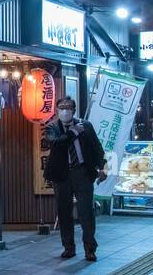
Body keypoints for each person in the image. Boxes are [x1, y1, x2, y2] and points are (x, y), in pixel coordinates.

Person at [42, 96, 107, 261]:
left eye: (68, 107)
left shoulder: (86, 126)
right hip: (61, 176)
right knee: (64, 212)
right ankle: (68, 247)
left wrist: (103, 167)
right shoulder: (52, 127)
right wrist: (72, 133)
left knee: (86, 212)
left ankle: (90, 249)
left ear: (74, 110)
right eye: (61, 107)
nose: (65, 110)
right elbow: (55, 144)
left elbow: (97, 148)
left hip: (83, 173)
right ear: (57, 110)